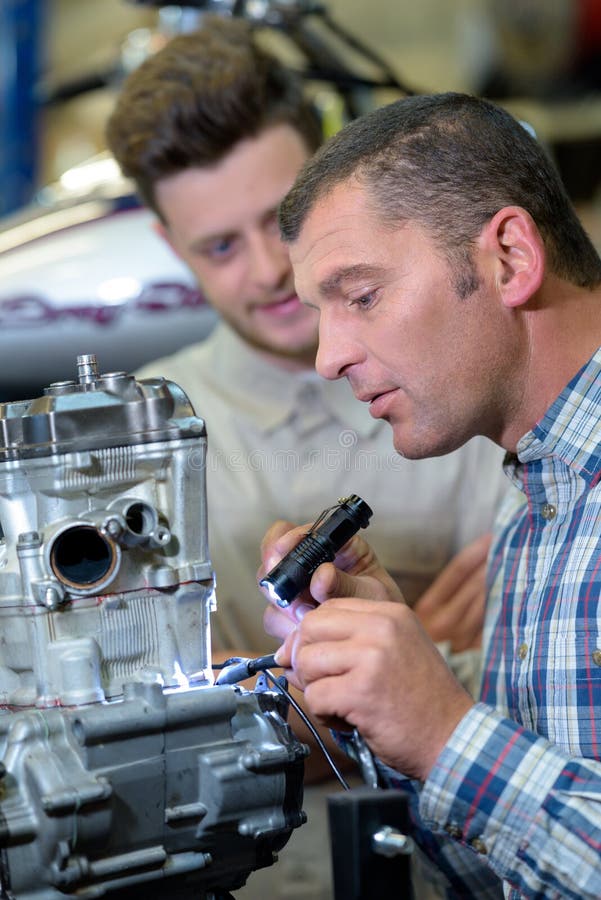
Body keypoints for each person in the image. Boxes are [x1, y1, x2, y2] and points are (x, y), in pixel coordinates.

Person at [105, 23, 512, 899]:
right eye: (218, 247)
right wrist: (425, 669)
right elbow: (173, 765)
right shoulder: (140, 443)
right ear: (173, 248)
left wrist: (298, 710)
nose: (267, 271)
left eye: (280, 219)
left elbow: (545, 678)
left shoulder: (470, 365)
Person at [260, 90, 601, 899]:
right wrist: (389, 711)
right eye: (319, 312)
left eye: (362, 295)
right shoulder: (533, 513)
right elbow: (508, 879)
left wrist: (446, 734)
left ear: (509, 259)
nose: (327, 356)